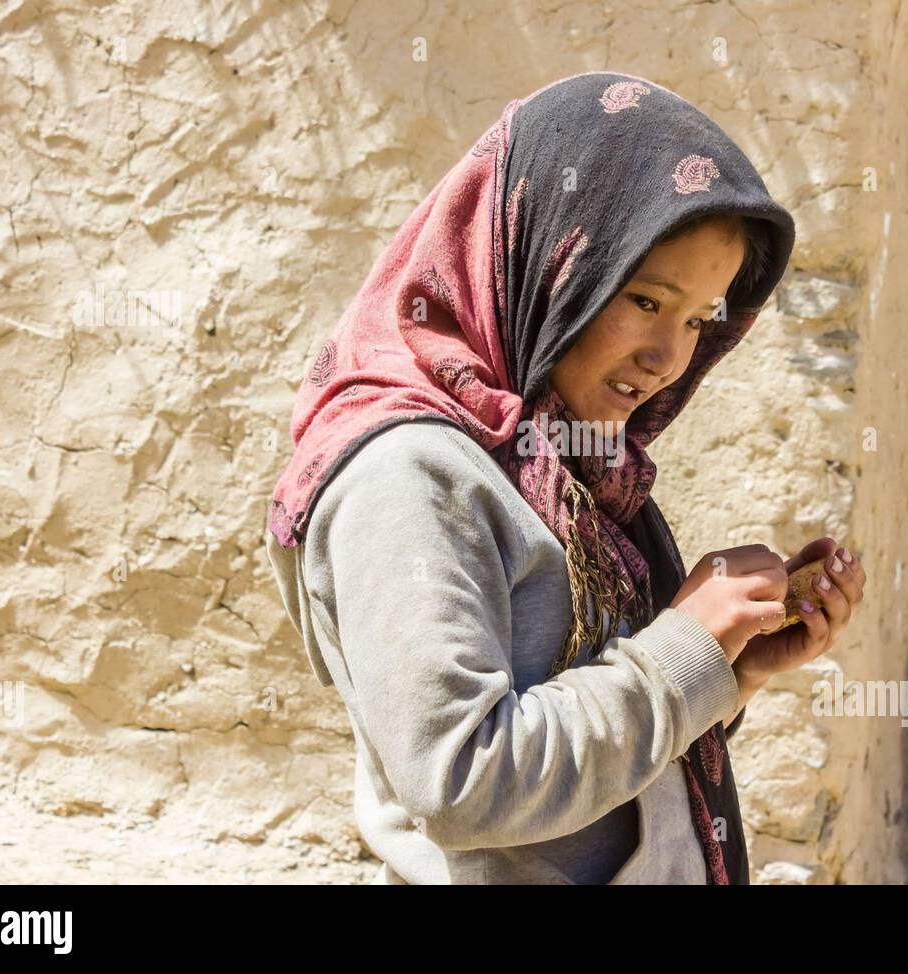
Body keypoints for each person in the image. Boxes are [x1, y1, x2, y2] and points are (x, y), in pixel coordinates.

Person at [266, 71, 866, 884]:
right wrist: (682, 649)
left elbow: (596, 752)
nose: (667, 359)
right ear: (545, 257)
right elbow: (464, 781)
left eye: (696, 321)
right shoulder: (408, 478)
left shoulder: (565, 462)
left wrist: (731, 670)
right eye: (647, 301)